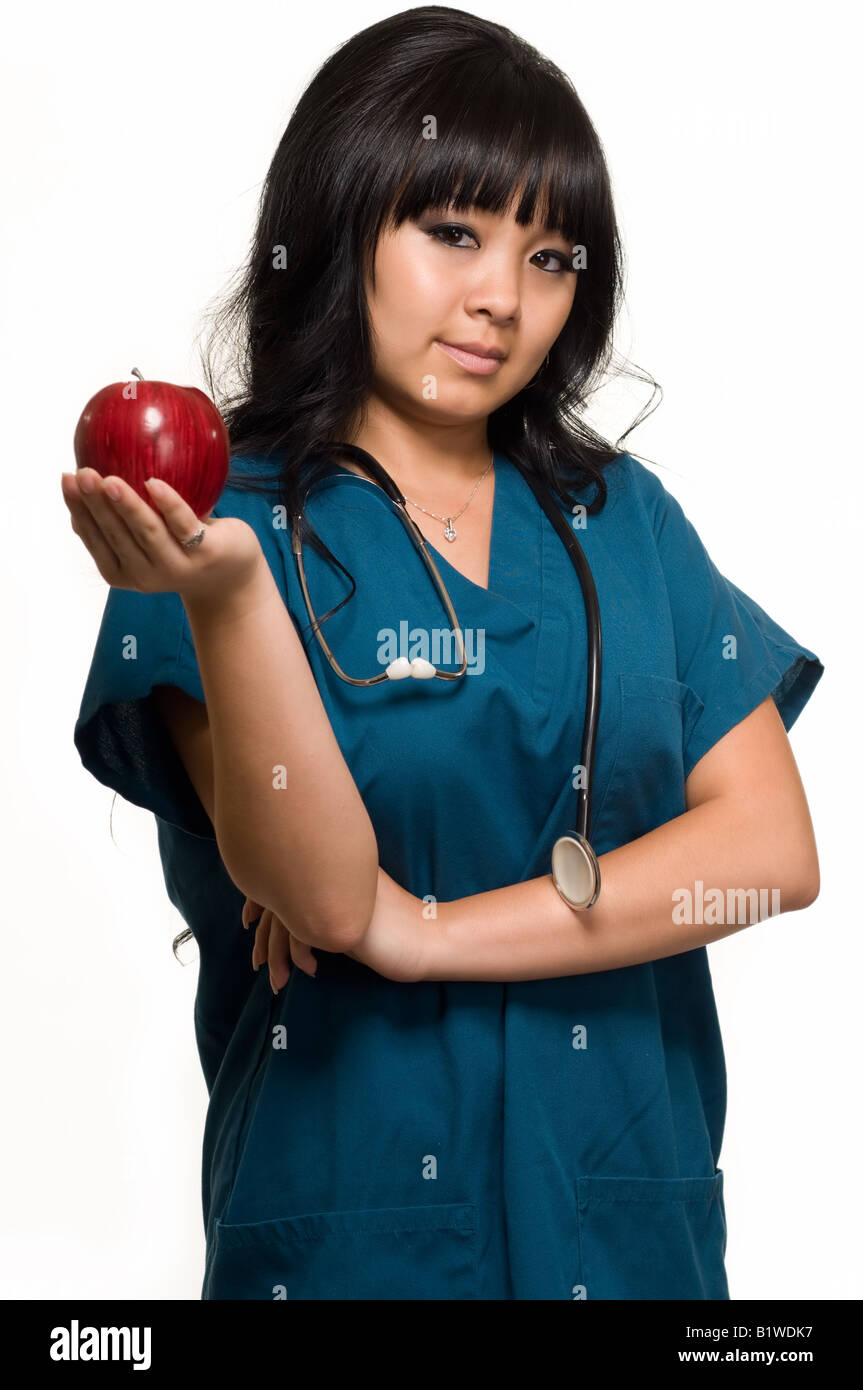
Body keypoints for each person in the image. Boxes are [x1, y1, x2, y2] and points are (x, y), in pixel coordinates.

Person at [63, 7, 823, 1301]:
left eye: (550, 255)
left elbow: (766, 855)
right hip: (355, 1249)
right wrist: (238, 600)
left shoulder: (622, 519)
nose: (501, 300)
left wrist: (430, 932)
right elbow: (316, 893)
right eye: (454, 232)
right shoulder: (217, 527)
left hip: (632, 1251)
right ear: (344, 218)